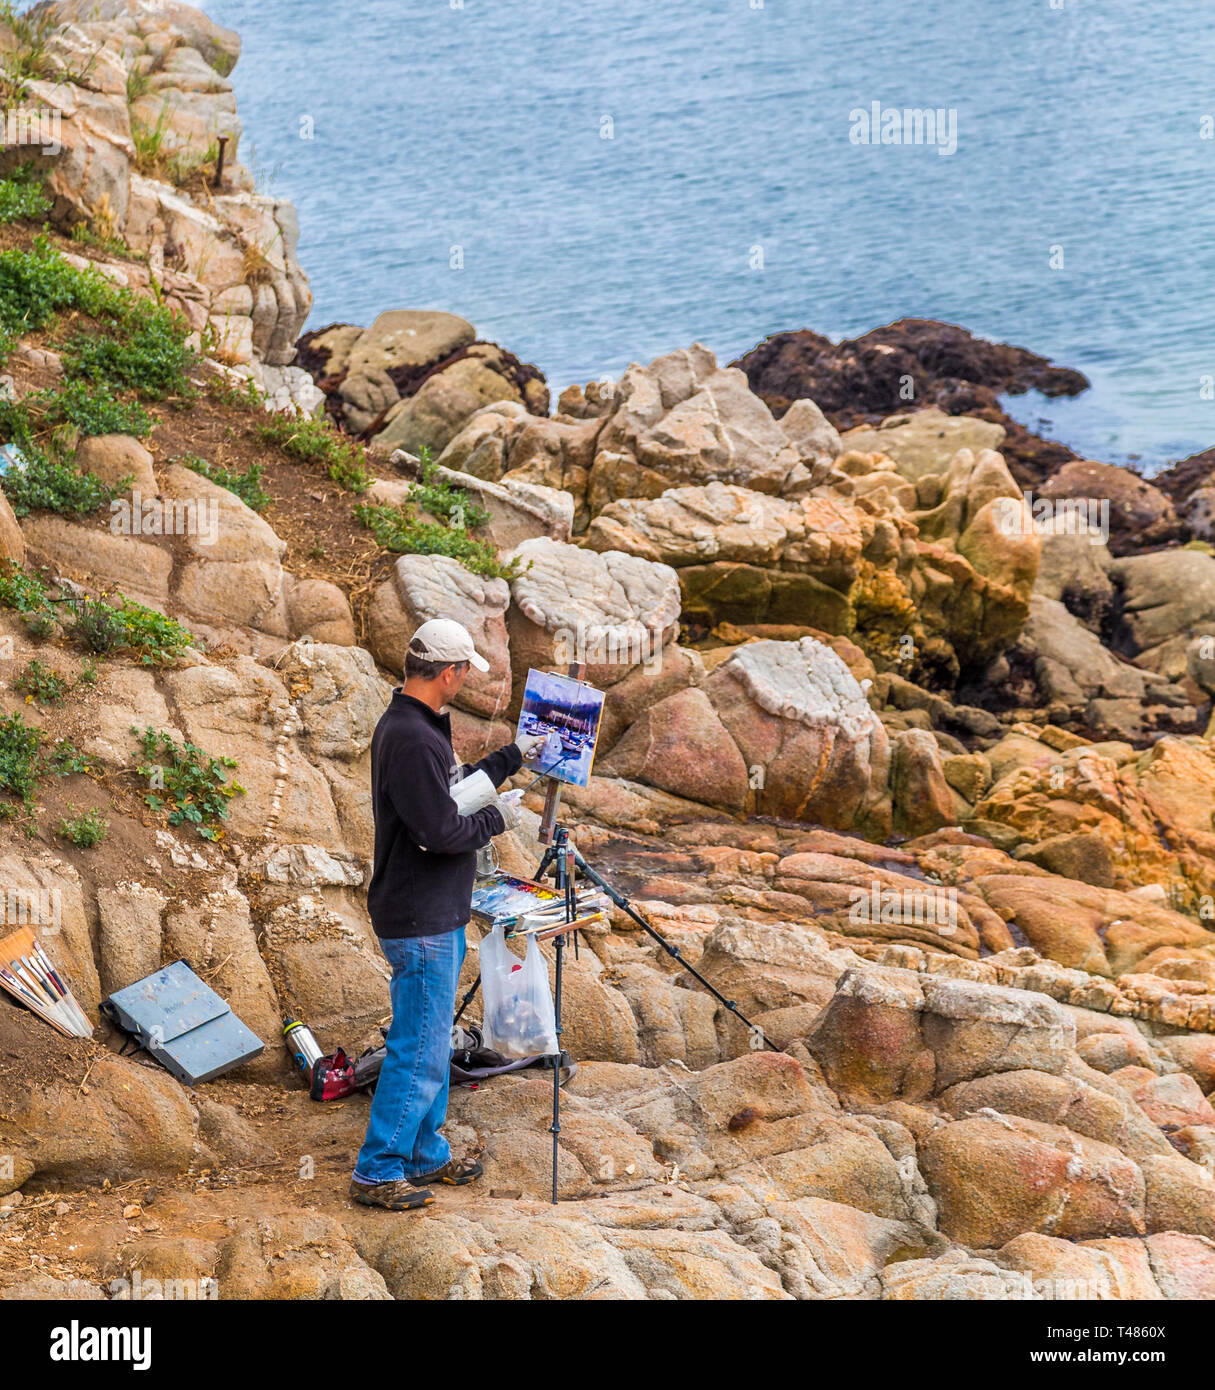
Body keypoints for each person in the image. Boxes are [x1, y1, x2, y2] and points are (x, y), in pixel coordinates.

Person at [351, 618, 544, 1212]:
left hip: (432, 912)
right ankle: (378, 1169)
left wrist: (512, 757)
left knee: (431, 1042)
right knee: (419, 1045)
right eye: (465, 673)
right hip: (420, 917)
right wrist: (500, 819)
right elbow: (439, 831)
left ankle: (423, 1153)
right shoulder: (411, 738)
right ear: (451, 672)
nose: (466, 682)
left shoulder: (415, 723)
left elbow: (450, 796)